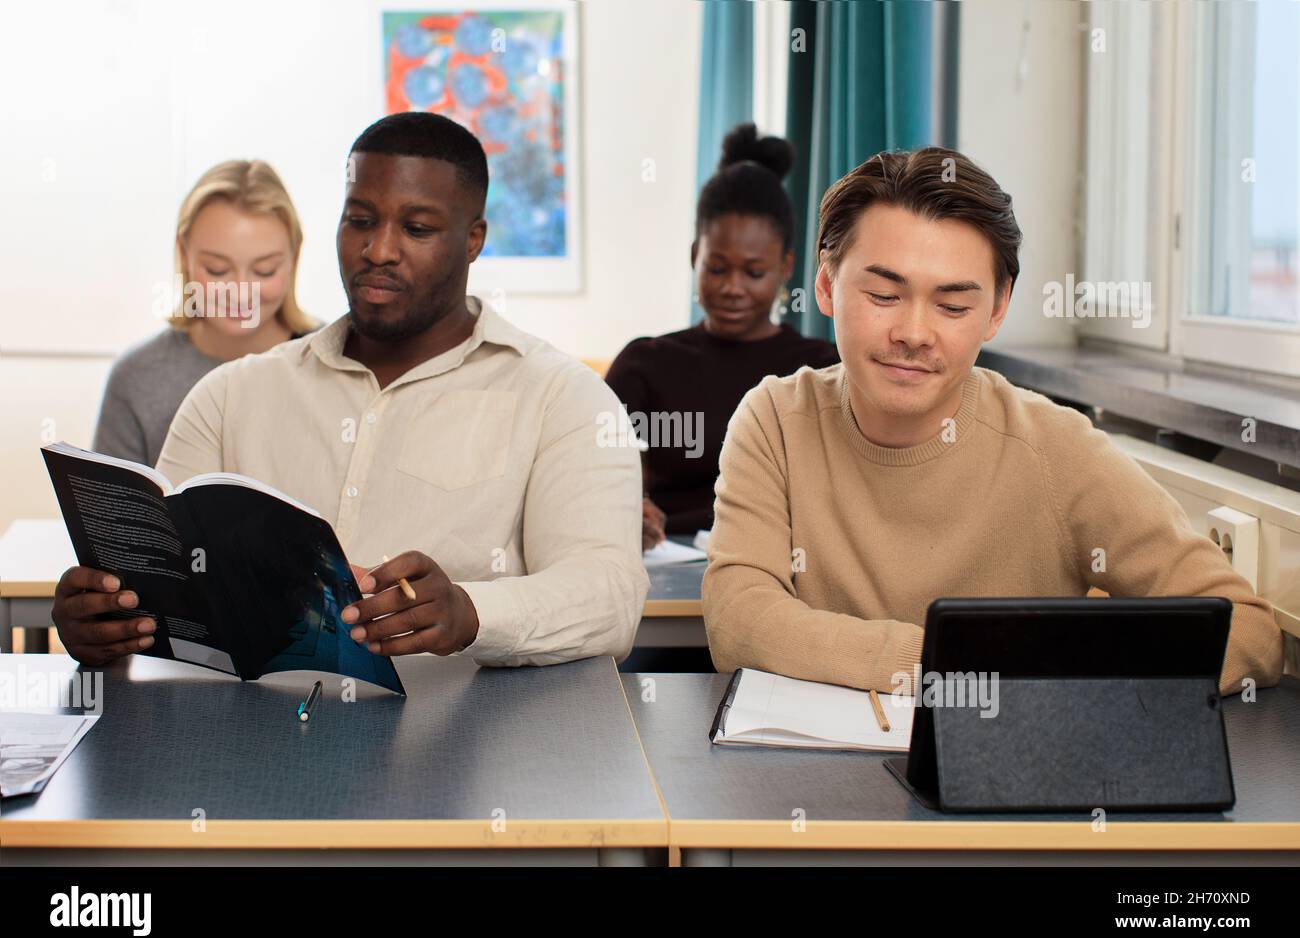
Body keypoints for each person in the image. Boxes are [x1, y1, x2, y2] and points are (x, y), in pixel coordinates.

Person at [53, 112, 648, 668]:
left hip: (464, 757)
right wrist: (105, 620)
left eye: (416, 228)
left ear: (473, 240)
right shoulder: (230, 396)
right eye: (360, 219)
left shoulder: (564, 399)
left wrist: (471, 612)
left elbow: (609, 596)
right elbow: (161, 586)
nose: (378, 250)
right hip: (252, 746)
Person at [703, 146, 1283, 696]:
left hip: (1012, 785)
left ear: (997, 311)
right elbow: (739, 616)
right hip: (812, 786)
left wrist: (1051, 668)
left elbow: (1247, 633)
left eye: (953, 306)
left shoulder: (1054, 447)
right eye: (883, 295)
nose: (913, 333)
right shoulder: (775, 420)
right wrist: (945, 662)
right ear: (827, 286)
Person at [605, 123, 839, 547]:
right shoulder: (644, 365)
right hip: (662, 568)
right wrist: (625, 509)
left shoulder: (822, 369)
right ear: (695, 257)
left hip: (781, 567)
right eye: (716, 268)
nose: (733, 287)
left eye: (754, 272)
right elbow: (594, 481)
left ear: (786, 267)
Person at [92, 160, 317, 466]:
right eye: (217, 270)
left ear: (294, 255)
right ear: (184, 255)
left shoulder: (338, 362)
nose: (240, 292)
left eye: (265, 270)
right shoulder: (136, 378)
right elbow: (109, 510)